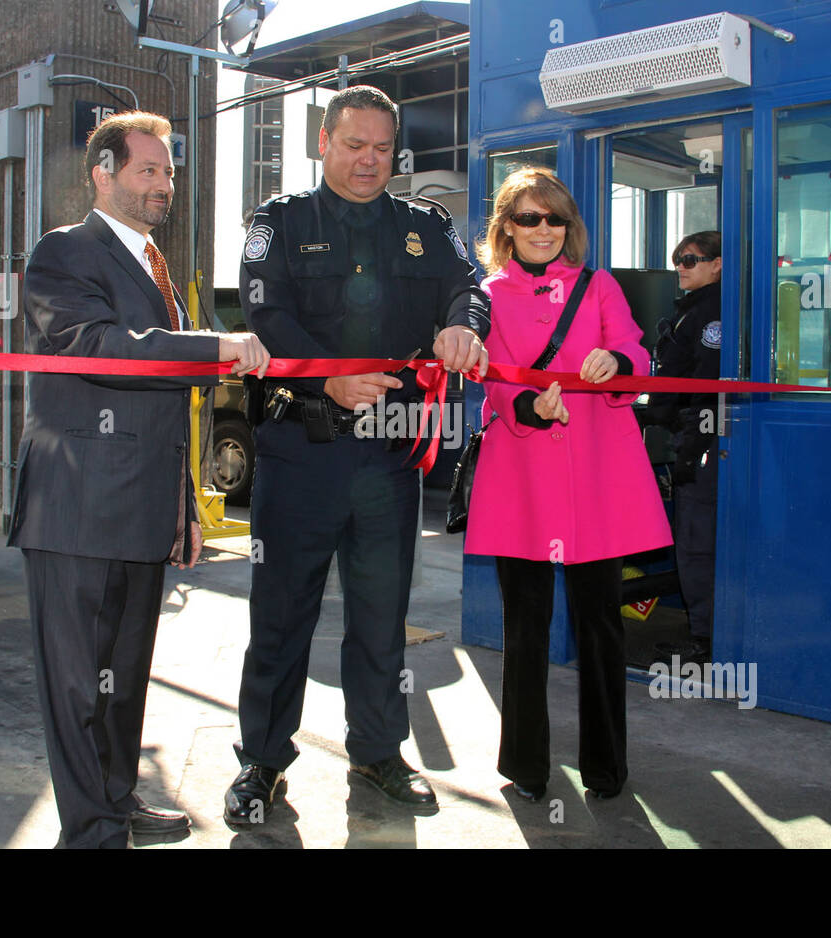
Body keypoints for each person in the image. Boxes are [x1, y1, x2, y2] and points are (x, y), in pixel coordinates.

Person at [228, 85, 491, 824]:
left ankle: (378, 752)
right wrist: (328, 375)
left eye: (381, 148)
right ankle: (262, 761)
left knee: (381, 615)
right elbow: (263, 307)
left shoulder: (425, 227)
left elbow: (467, 288)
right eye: (353, 145)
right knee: (281, 616)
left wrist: (460, 329)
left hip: (389, 457)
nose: (368, 160)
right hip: (301, 451)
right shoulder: (281, 222)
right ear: (324, 143)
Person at [9, 110, 269, 848]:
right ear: (103, 172)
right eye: (147, 170)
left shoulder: (155, 267)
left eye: (170, 173)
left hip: (142, 510)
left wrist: (183, 505)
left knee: (122, 680)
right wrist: (212, 344)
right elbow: (98, 348)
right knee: (75, 687)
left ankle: (118, 803)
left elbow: (163, 414)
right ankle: (89, 831)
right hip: (76, 509)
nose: (164, 185)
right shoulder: (65, 253)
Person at [464, 168, 671, 801]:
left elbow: (638, 354)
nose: (544, 229)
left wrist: (619, 363)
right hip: (521, 477)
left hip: (597, 477)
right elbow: (488, 380)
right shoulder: (487, 296)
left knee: (602, 627)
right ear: (506, 227)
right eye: (529, 218)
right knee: (524, 629)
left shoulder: (599, 285)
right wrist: (529, 408)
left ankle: (607, 769)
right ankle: (526, 768)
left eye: (555, 218)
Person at [644, 231, 722, 662]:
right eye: (678, 260)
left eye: (691, 260)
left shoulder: (710, 314)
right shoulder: (693, 310)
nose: (681, 267)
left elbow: (704, 383)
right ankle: (706, 630)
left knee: (697, 540)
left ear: (718, 264)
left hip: (700, 438)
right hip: (694, 435)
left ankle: (705, 637)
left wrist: (689, 442)